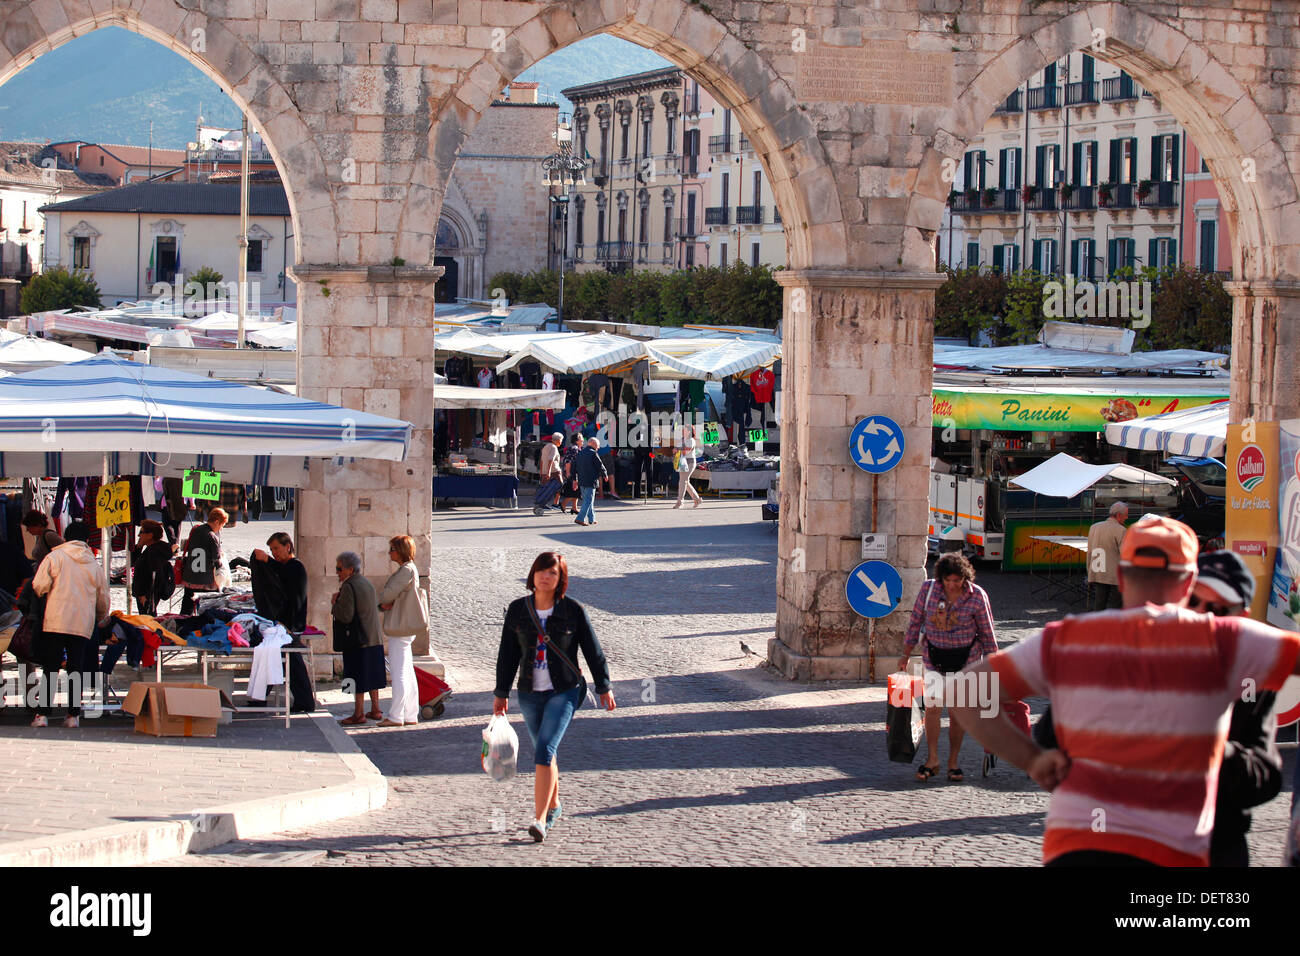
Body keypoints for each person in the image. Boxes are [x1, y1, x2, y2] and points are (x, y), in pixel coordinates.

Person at [952, 516, 1300, 867]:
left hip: (1076, 849)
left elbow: (966, 692)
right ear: (1189, 583)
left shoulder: (1066, 639)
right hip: (1172, 853)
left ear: (1120, 576)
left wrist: (1032, 759)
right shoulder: (1226, 641)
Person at [494, 551, 615, 843]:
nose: (545, 577)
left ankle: (540, 819)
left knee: (544, 750)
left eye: (553, 573)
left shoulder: (573, 610)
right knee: (545, 752)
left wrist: (604, 686)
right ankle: (555, 804)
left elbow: (592, 649)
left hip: (565, 690)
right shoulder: (517, 610)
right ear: (532, 574)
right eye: (541, 571)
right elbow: (507, 654)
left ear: (561, 580)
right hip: (529, 692)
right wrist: (501, 692)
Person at [898, 551, 998, 783]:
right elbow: (915, 621)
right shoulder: (929, 590)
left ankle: (953, 761)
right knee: (932, 709)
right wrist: (905, 653)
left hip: (967, 661)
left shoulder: (977, 597)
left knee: (957, 713)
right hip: (934, 658)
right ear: (941, 578)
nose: (952, 585)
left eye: (957, 581)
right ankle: (932, 758)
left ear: (965, 578)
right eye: (947, 580)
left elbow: (987, 632)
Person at [31, 521, 110, 728]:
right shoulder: (94, 564)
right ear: (87, 540)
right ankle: (72, 716)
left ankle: (42, 715)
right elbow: (103, 599)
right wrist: (99, 616)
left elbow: (39, 585)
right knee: (76, 667)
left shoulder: (55, 557)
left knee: (50, 667)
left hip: (55, 620)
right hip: (82, 622)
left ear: (65, 537)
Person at [332, 550, 386, 725]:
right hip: (373, 637)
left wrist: (335, 604)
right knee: (372, 675)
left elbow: (345, 615)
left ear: (349, 569)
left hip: (357, 640)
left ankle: (358, 713)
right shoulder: (366, 583)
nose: (337, 573)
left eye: (339, 569)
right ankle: (376, 709)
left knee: (355, 676)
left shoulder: (349, 586)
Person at [376, 534, 424, 727]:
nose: (390, 553)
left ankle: (396, 715)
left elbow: (388, 594)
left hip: (400, 627)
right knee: (407, 671)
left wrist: (383, 601)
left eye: (393, 549)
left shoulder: (405, 571)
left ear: (401, 551)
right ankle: (411, 714)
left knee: (399, 672)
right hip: (404, 626)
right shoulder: (410, 569)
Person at [249, 531, 308, 632]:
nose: (273, 553)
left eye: (276, 548)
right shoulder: (284, 566)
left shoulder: (297, 566)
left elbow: (284, 572)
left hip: (293, 625)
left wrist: (267, 559)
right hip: (283, 622)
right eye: (271, 550)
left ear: (288, 547)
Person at [180, 506, 228, 614]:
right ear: (216, 522)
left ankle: (182, 625)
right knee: (208, 606)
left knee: (187, 605)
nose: (221, 529)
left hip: (190, 576)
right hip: (204, 579)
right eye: (222, 525)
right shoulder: (212, 536)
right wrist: (222, 566)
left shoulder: (196, 530)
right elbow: (217, 559)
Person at [1086, 501, 1128, 611]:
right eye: (1125, 515)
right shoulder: (1121, 530)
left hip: (1097, 570)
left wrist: (1089, 570)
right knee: (1116, 605)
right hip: (1114, 574)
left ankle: (1098, 625)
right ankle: (1113, 626)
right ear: (1119, 515)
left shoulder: (1094, 527)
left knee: (1099, 603)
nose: (1127, 518)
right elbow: (1125, 553)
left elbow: (1089, 551)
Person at [130, 519, 177, 616]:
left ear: (150, 535)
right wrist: (139, 546)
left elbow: (155, 576)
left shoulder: (154, 552)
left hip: (147, 595)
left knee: (148, 619)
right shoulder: (152, 549)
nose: (139, 535)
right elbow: (133, 562)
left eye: (141, 532)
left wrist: (145, 595)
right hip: (145, 593)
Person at [574, 436, 608, 527]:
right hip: (590, 480)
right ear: (593, 444)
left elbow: (574, 467)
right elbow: (600, 465)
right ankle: (580, 518)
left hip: (582, 480)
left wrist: (574, 479)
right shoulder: (593, 453)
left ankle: (592, 519)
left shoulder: (580, 453)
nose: (599, 447)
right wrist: (605, 474)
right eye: (598, 445)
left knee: (588, 500)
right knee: (588, 500)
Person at [532, 432, 566, 516]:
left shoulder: (546, 446)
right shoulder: (553, 447)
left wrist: (542, 472)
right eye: (561, 440)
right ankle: (554, 503)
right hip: (554, 472)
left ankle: (545, 503)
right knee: (559, 486)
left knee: (546, 488)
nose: (561, 442)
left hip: (545, 471)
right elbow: (551, 460)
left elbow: (542, 460)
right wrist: (549, 472)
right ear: (557, 440)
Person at [673, 424, 703, 509]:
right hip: (682, 462)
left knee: (683, 481)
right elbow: (676, 450)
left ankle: (680, 502)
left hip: (689, 462)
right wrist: (676, 450)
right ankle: (697, 499)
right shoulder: (682, 440)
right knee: (685, 481)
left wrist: (678, 449)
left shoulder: (691, 440)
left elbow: (686, 451)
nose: (683, 431)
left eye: (685, 430)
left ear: (689, 431)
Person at [559, 433, 583, 515]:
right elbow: (568, 461)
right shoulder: (574, 449)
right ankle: (563, 504)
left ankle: (574, 507)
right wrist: (568, 473)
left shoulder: (577, 448)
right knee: (573, 490)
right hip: (572, 473)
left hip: (575, 472)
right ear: (577, 440)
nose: (583, 440)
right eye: (581, 438)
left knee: (576, 490)